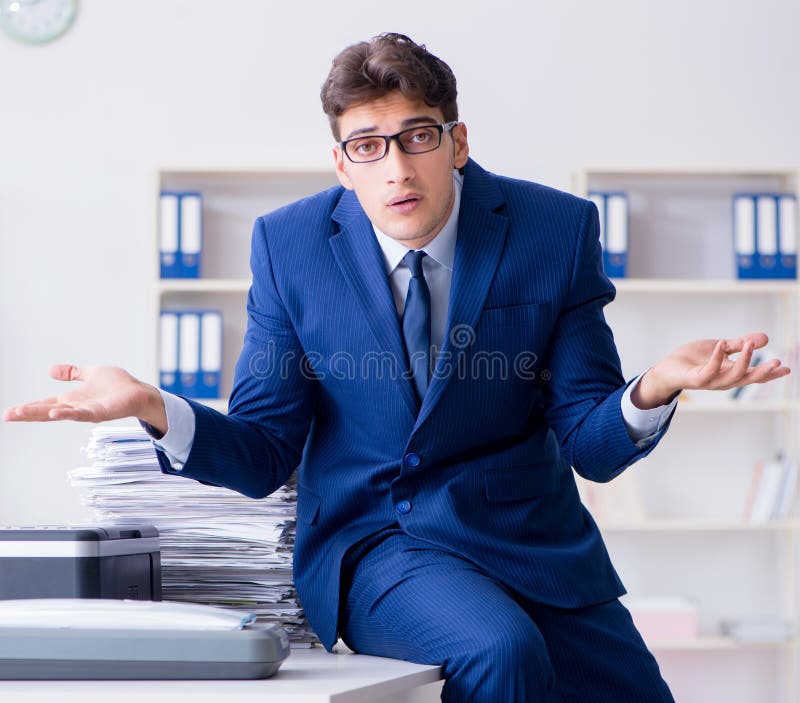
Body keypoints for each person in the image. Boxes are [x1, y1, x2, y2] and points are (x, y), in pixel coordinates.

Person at [3, 33, 790, 702]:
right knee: (502, 650)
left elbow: (591, 443)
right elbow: (265, 449)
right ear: (342, 163)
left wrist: (655, 386)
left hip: (533, 542)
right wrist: (153, 404)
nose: (397, 170)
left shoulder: (554, 229)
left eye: (417, 137)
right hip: (382, 543)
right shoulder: (290, 246)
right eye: (368, 146)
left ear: (457, 142)